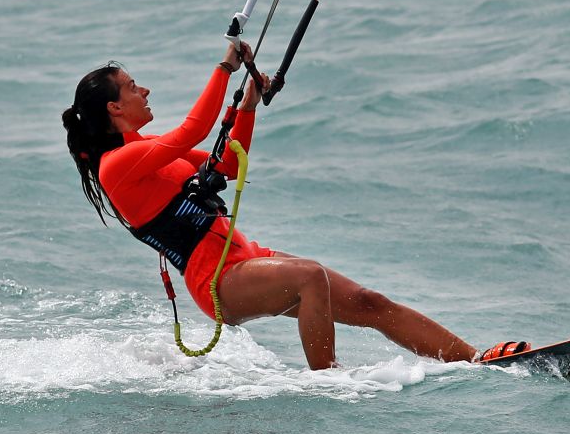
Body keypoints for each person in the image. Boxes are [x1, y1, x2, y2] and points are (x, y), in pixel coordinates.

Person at [62, 43, 528, 369]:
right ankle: (329, 381)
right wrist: (224, 68)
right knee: (310, 276)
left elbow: (226, 164)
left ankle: (476, 360)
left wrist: (247, 104)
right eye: (133, 87)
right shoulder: (117, 166)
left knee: (369, 302)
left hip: (246, 256)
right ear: (113, 109)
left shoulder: (148, 149)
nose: (144, 91)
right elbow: (194, 131)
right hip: (216, 280)